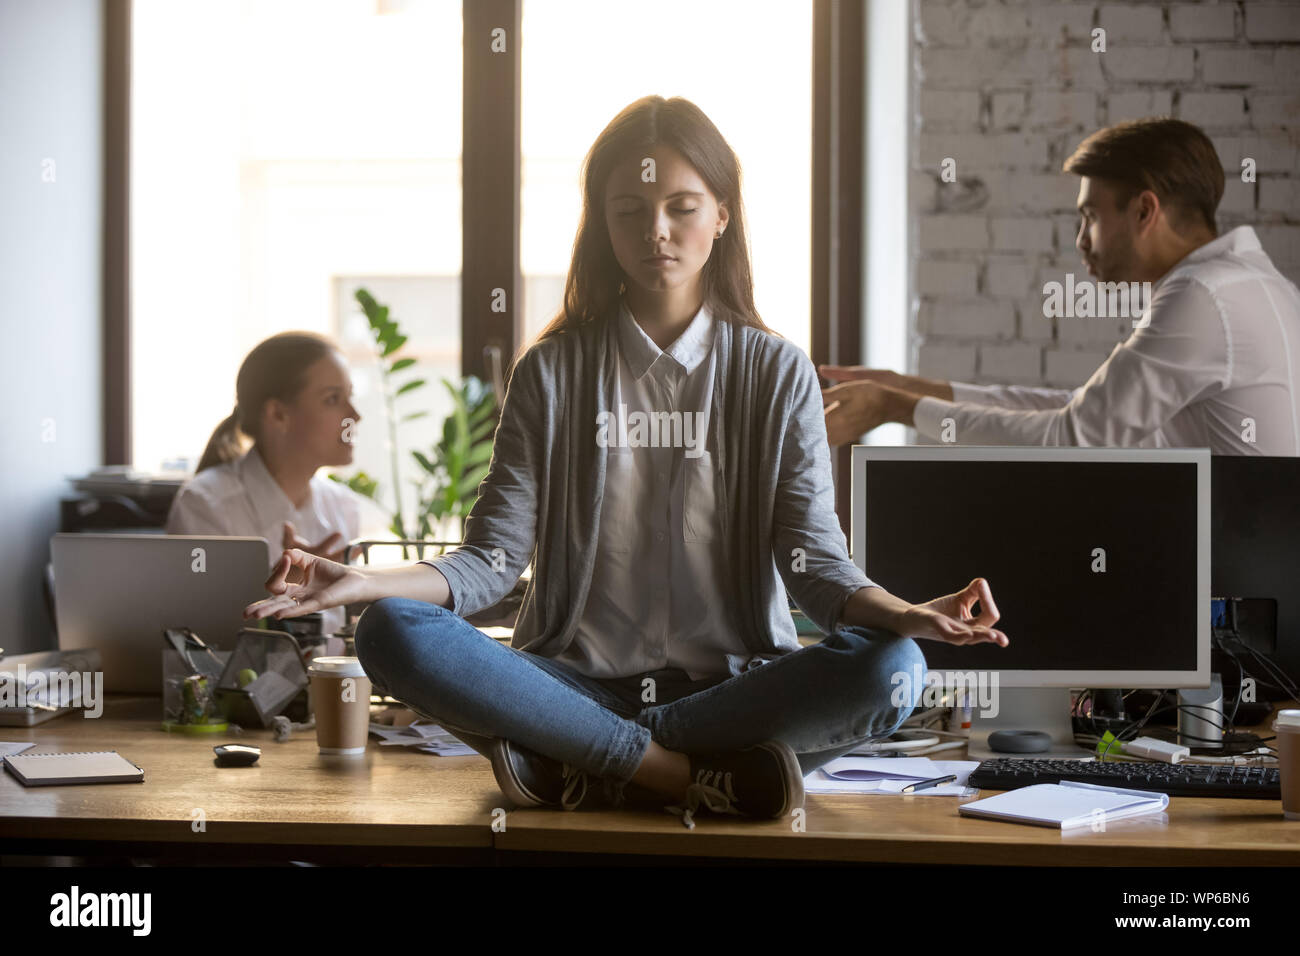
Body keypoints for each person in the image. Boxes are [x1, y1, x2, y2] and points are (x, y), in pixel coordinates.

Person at [244, 96, 1008, 830]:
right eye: (630, 211)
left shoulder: (777, 373)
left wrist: (909, 612)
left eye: (681, 205)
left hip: (728, 693)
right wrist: (364, 582)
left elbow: (815, 565)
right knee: (390, 633)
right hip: (572, 684)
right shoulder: (550, 372)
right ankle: (674, 775)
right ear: (602, 225)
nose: (657, 231)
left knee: (896, 667)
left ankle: (583, 759)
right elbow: (492, 561)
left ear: (721, 215)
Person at [822, 118, 1300, 454]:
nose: (1080, 241)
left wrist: (896, 408)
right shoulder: (1256, 283)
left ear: (1143, 211)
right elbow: (1081, 411)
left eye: (1091, 216)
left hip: (1237, 584)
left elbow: (1072, 437)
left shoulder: (1202, 298)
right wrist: (911, 389)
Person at [167, 331, 390, 636]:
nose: (355, 415)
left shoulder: (343, 507)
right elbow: (203, 639)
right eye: (333, 399)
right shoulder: (206, 505)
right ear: (278, 414)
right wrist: (289, 591)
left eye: (350, 396)